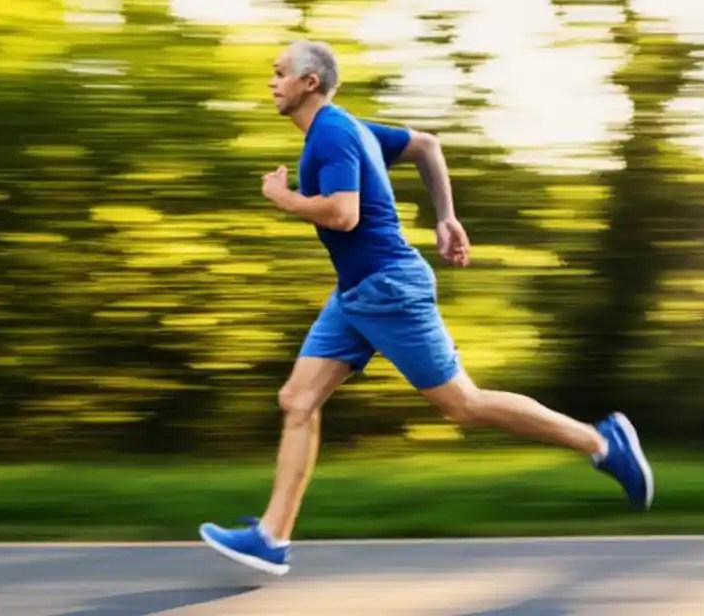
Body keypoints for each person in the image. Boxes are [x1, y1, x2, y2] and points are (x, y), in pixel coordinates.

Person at [197, 40, 653, 576]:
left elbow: (342, 215)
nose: (271, 83)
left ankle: (603, 441)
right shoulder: (352, 127)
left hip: (388, 289)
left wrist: (285, 197)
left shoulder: (332, 134)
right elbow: (427, 145)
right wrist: (446, 217)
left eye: (279, 74)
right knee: (298, 399)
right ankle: (272, 538)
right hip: (356, 293)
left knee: (463, 404)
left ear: (309, 82)